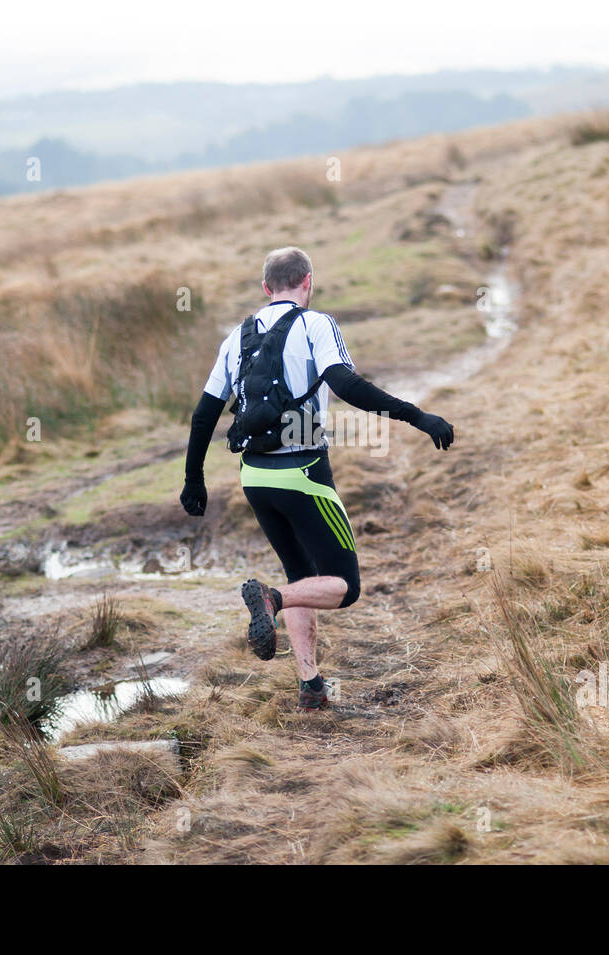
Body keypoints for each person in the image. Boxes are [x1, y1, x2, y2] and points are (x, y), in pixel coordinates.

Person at [180, 247, 454, 709]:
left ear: (267, 288)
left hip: (254, 477)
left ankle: (310, 685)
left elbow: (204, 415)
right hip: (304, 472)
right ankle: (269, 599)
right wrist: (417, 416)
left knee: (301, 574)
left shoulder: (236, 337)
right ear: (308, 282)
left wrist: (194, 480)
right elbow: (347, 386)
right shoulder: (316, 324)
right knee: (344, 586)